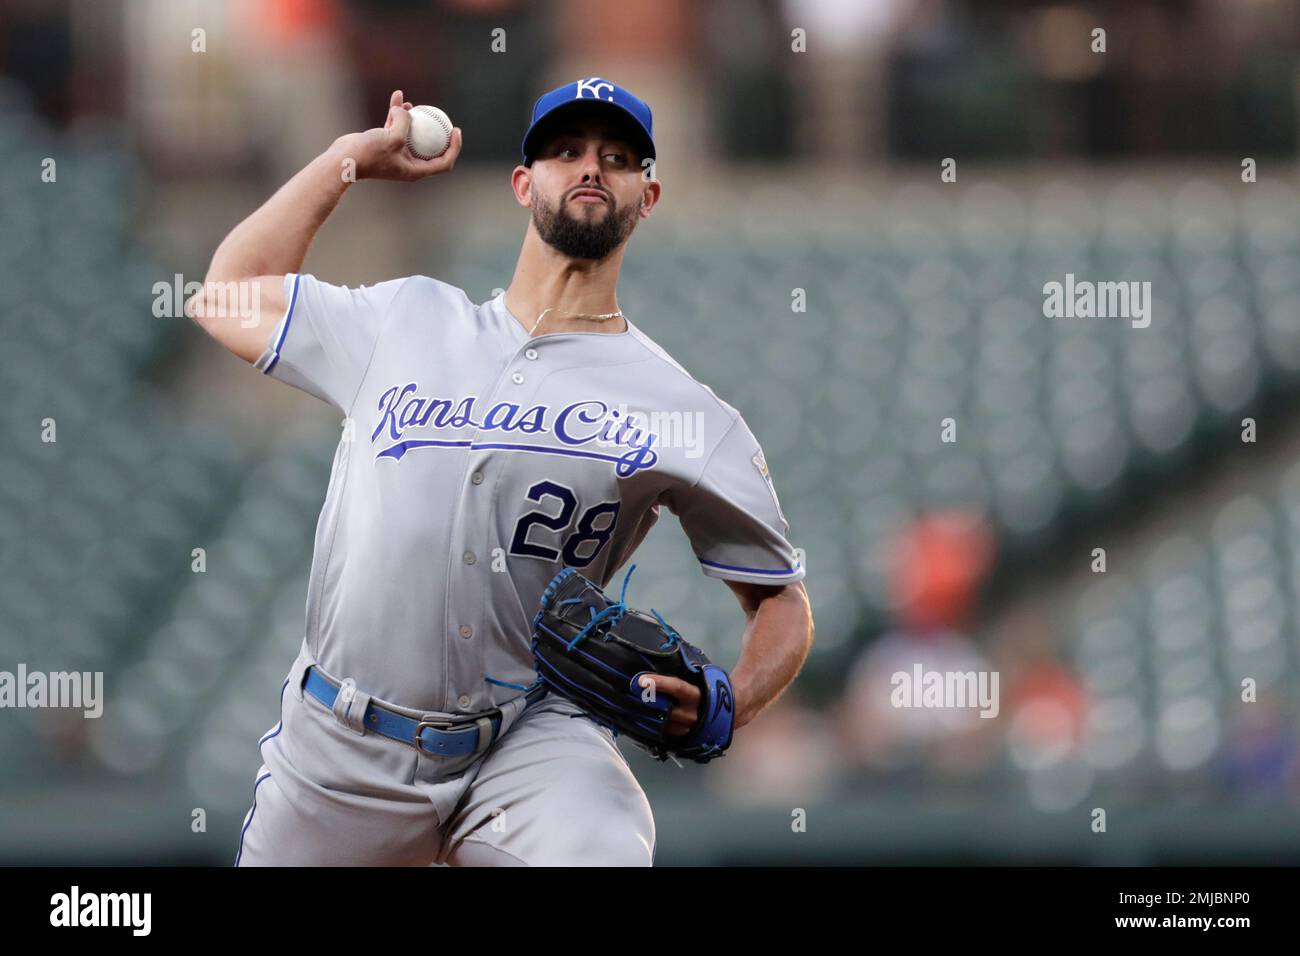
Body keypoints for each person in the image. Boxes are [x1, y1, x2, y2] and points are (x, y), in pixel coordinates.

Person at [187, 77, 814, 866]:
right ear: (524, 184)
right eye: (566, 151)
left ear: (646, 196)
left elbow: (780, 600)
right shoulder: (404, 319)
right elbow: (224, 297)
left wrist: (731, 701)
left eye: (617, 158)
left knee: (603, 845)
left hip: (525, 738)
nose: (591, 167)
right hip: (339, 748)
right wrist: (346, 160)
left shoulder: (681, 410)